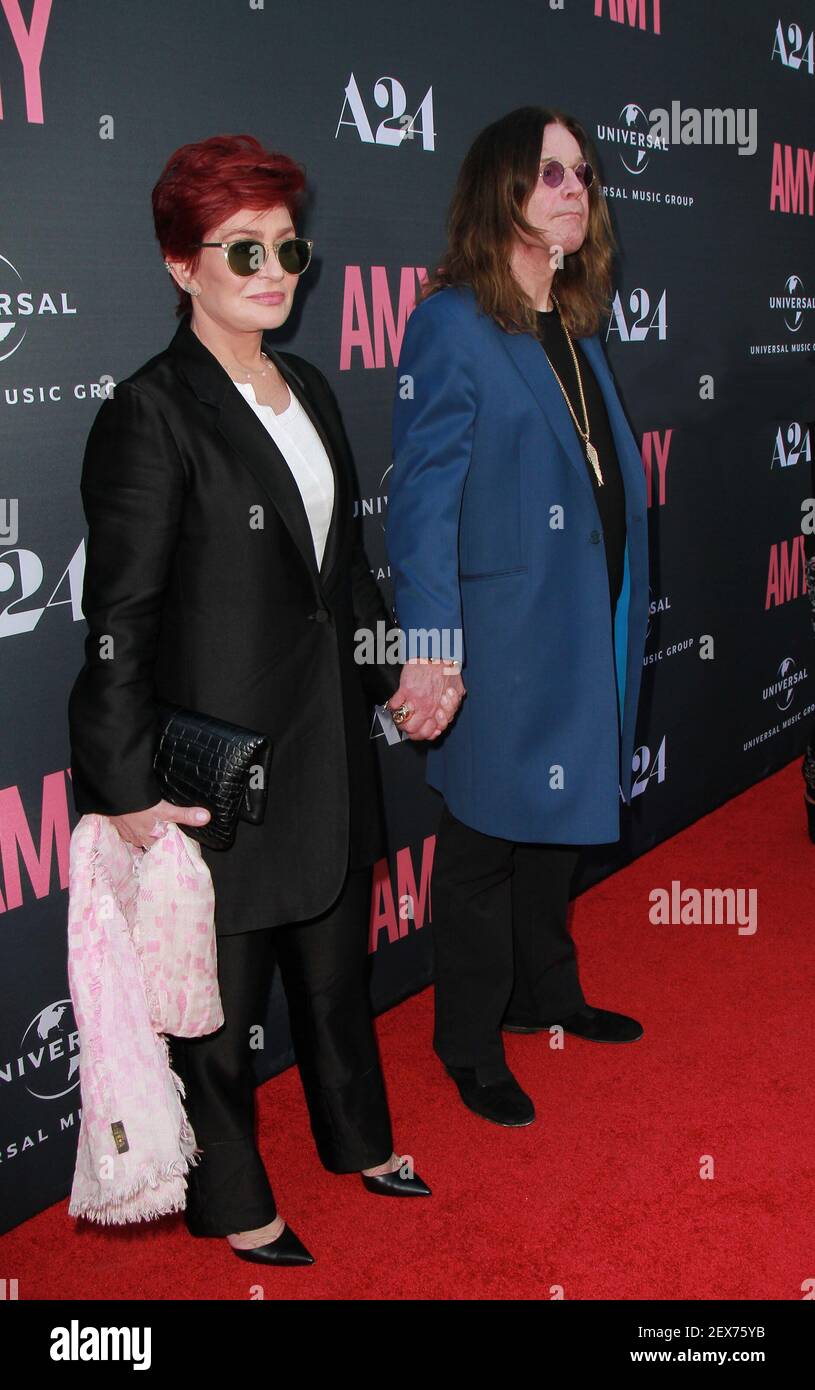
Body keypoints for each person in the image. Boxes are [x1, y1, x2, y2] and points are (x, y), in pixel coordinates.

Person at [67, 134, 430, 1267]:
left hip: (324, 743)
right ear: (182, 266)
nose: (274, 271)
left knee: (336, 971)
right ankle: (231, 1196)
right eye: (242, 251)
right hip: (216, 768)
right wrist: (123, 784)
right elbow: (118, 616)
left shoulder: (309, 386)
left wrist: (397, 670)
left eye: (286, 246)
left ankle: (357, 1137)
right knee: (217, 1006)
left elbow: (344, 576)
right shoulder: (151, 411)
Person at [385, 106, 650, 1127]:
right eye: (548, 173)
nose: (572, 187)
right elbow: (421, 503)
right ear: (501, 189)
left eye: (581, 172)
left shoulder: (569, 321)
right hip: (500, 640)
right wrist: (435, 651)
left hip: (587, 621)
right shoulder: (452, 321)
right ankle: (467, 1040)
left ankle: (547, 992)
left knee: (554, 829)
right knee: (484, 843)